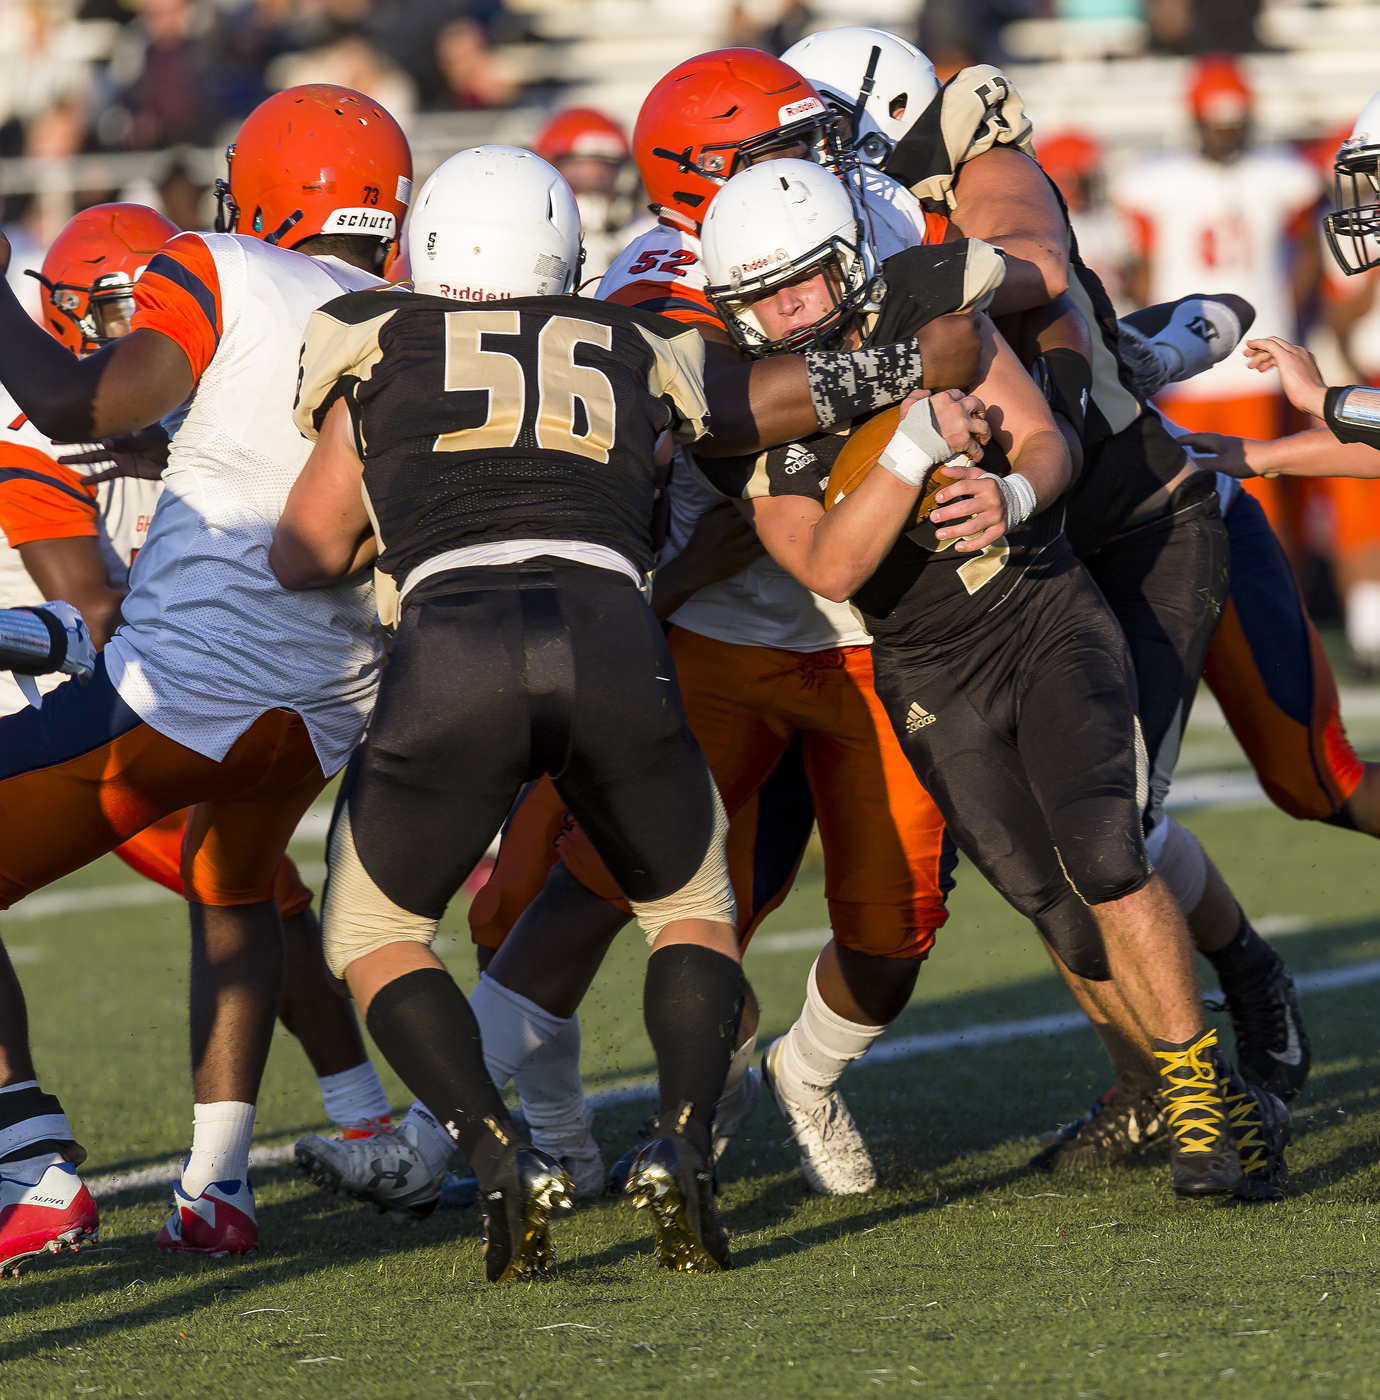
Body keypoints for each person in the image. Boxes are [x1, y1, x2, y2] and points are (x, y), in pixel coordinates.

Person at [701, 156, 1289, 1201]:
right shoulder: (751, 400)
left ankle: (1200, 1101)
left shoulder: (924, 297)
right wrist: (918, 439)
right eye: (759, 295)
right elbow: (831, 561)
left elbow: (1047, 439)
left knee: (1107, 851)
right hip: (928, 663)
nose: (786, 310)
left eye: (800, 280)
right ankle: (1208, 1088)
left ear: (846, 259)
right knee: (1054, 908)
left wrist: (1012, 493)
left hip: (1038, 611)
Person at [275, 144, 743, 1281]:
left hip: (457, 645)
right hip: (611, 634)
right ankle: (682, 1141)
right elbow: (658, 486)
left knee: (375, 933)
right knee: (689, 907)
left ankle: (492, 1151)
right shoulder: (639, 346)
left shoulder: (380, 337)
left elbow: (306, 547)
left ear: (427, 247)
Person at [0, 84, 412, 1259]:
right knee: (234, 888)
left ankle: (28, 1166)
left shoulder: (220, 262)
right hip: (330, 704)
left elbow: (72, 396)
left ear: (268, 189)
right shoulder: (411, 309)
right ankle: (217, 1184)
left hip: (186, 690)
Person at [1112, 54, 1323, 548]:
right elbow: (1142, 268)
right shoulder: (1156, 179)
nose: (1227, 133)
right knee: (1185, 496)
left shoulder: (1279, 173)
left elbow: (1308, 252)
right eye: (1217, 122)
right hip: (1183, 363)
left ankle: (1270, 605)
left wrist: (1286, 314)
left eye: (1234, 122)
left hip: (1256, 363)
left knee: (1264, 499)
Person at [532, 107, 654, 281]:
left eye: (604, 174)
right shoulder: (530, 238)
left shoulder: (648, 236)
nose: (592, 186)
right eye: (577, 175)